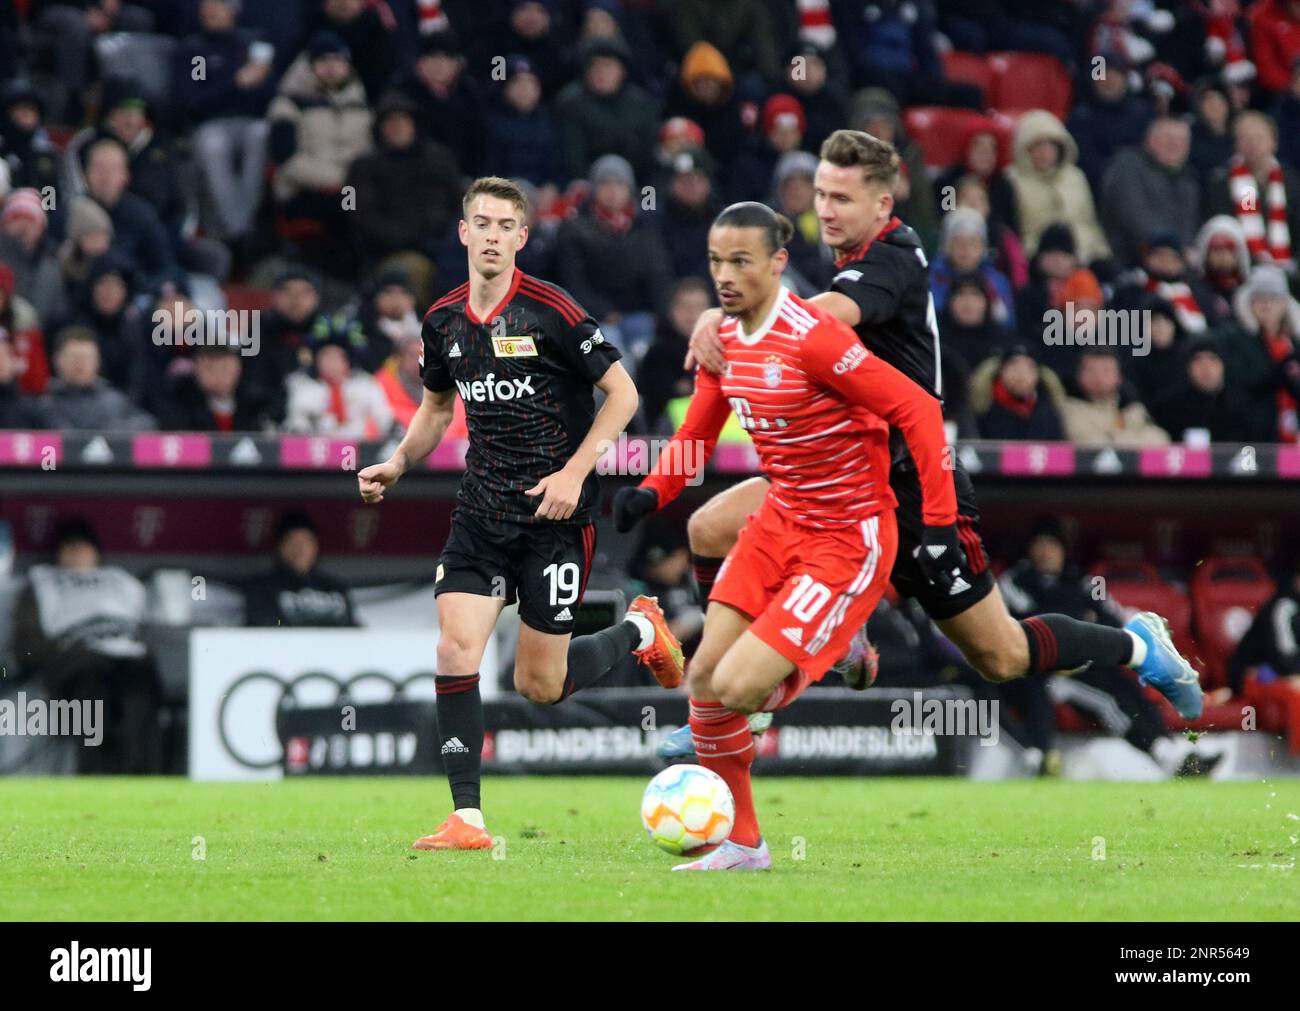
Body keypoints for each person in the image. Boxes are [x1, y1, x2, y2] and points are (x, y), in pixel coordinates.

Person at [644, 129, 1202, 759]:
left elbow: (818, 319)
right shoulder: (849, 260)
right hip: (838, 481)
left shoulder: (894, 259)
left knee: (1001, 654)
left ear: (882, 206)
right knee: (712, 526)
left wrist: (722, 316)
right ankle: (744, 691)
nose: (825, 209)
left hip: (912, 487)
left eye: (843, 199)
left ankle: (1136, 646)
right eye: (821, 195)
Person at [615, 201, 960, 871]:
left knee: (740, 686)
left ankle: (830, 646)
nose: (726, 275)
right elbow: (697, 434)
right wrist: (652, 490)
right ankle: (745, 843)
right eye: (717, 261)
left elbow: (916, 408)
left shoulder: (815, 338)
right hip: (780, 519)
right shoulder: (722, 341)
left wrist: (941, 522)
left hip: (848, 535)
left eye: (741, 260)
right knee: (705, 682)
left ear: (778, 261)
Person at [356, 176, 682, 851]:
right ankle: (467, 818)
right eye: (484, 223)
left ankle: (639, 631)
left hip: (555, 519)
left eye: (508, 225)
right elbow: (438, 407)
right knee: (454, 647)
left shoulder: (551, 311)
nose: (495, 236)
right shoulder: (443, 320)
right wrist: (398, 462)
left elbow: (620, 395)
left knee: (540, 683)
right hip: (481, 513)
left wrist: (573, 471)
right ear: (464, 233)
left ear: (523, 238)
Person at [12, 517, 162, 774]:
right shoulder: (42, 582)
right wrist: (60, 651)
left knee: (137, 691)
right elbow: (26, 642)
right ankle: (95, 777)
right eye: (69, 547)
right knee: (94, 691)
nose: (76, 554)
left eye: (82, 547)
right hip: (76, 658)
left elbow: (149, 630)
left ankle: (140, 780)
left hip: (126, 655)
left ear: (96, 552)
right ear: (57, 554)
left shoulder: (121, 582)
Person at [244, 511, 357, 627]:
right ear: (280, 547)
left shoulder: (336, 587)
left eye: (306, 541)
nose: (300, 548)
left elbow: (352, 629)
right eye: (292, 541)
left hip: (333, 645)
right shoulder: (262, 587)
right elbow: (266, 627)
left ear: (316, 546)